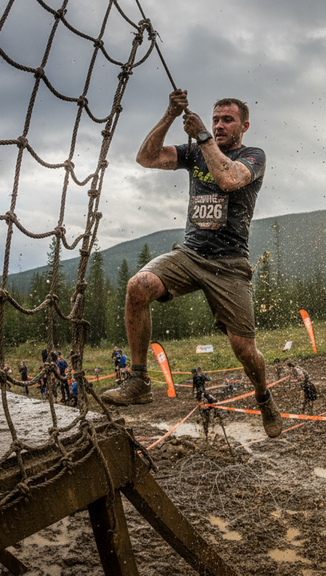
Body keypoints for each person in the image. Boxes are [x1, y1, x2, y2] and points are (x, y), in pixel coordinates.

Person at [109, 90, 282, 437]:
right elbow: (146, 157)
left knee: (244, 349)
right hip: (190, 254)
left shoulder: (253, 156)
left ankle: (264, 397)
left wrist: (202, 136)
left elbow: (229, 178)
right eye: (215, 120)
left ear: (244, 126)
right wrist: (170, 115)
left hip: (230, 265)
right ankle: (139, 381)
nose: (219, 125)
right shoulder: (193, 153)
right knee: (138, 286)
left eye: (227, 120)